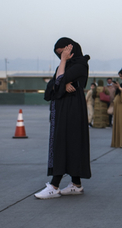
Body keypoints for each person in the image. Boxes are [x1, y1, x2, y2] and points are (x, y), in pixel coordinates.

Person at [35, 38, 91, 199]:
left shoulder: (80, 64)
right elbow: (53, 85)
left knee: (64, 141)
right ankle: (76, 183)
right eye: (60, 55)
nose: (62, 57)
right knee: (70, 143)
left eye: (64, 53)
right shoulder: (67, 65)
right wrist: (62, 82)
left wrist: (61, 79)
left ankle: (54, 185)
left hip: (72, 109)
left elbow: (58, 80)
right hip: (64, 109)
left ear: (71, 49)